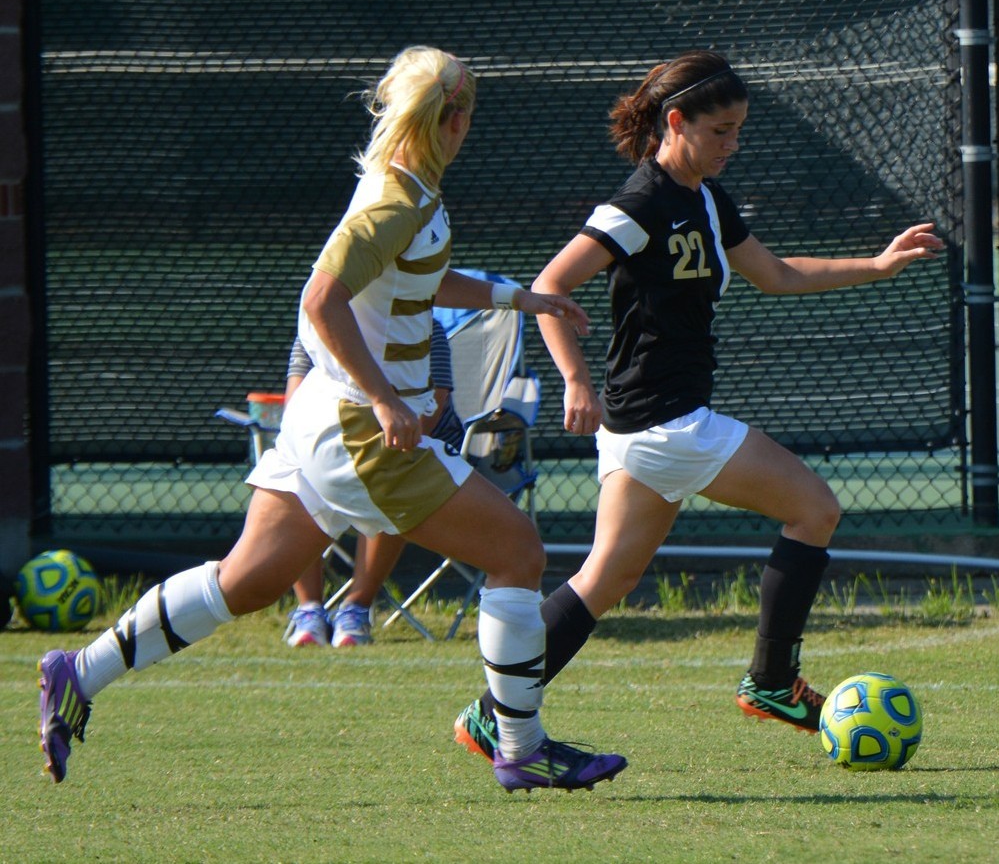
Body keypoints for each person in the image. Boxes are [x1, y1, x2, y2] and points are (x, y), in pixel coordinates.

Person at [38, 45, 627, 793]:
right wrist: (385, 397)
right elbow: (319, 299)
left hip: (322, 410)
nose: (469, 127)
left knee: (245, 582)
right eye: (467, 113)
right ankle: (520, 743)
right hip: (356, 423)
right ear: (451, 119)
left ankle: (75, 673)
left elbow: (419, 278)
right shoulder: (395, 198)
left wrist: (522, 298)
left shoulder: (408, 189)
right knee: (517, 549)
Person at [453, 49, 943, 760]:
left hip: (644, 423)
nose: (732, 143)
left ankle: (494, 712)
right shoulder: (640, 203)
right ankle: (772, 679)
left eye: (739, 129)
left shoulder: (706, 199)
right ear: (675, 122)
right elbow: (549, 288)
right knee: (815, 507)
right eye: (721, 130)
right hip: (665, 417)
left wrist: (876, 263)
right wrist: (575, 380)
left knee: (605, 577)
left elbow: (772, 273)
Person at [282, 323, 465, 648]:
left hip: (405, 448)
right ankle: (308, 609)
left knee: (392, 477)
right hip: (329, 448)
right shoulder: (317, 323)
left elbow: (427, 418)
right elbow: (294, 407)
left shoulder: (424, 327)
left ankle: (356, 609)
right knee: (293, 477)